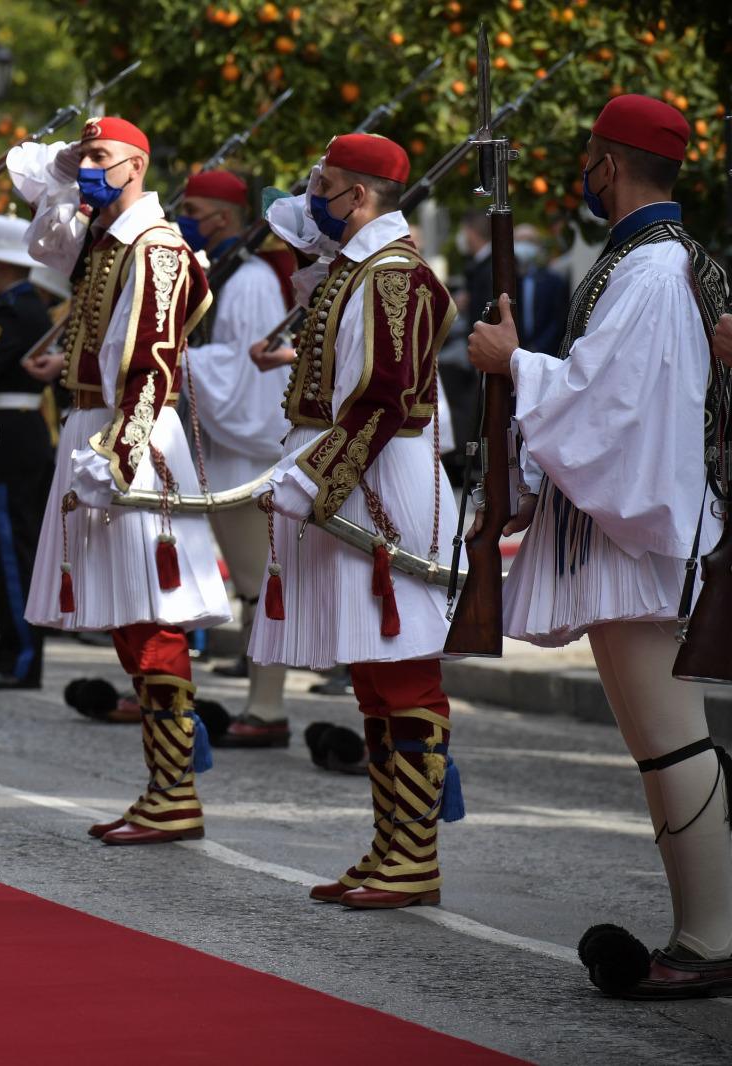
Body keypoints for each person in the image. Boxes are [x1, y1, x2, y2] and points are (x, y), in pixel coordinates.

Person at [468, 95, 732, 996]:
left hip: (641, 537)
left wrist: (514, 365)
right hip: (629, 534)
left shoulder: (652, 271)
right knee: (661, 742)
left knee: (671, 741)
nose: (584, 172)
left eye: (588, 156)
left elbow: (611, 406)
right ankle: (705, 930)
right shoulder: (644, 264)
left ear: (608, 167)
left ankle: (713, 938)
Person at [248, 133, 458, 909]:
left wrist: (315, 480)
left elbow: (382, 397)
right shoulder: (362, 269)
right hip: (353, 475)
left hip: (377, 481)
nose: (314, 202)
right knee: (372, 677)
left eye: (327, 188)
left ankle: (416, 854)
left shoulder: (391, 275)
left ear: (359, 197)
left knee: (401, 671)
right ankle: (391, 845)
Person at [7, 118, 231, 845]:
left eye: (100, 157)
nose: (88, 169)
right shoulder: (109, 240)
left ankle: (175, 791)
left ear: (136, 164)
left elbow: (154, 364)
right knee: (131, 621)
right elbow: (46, 245)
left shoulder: (156, 246)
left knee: (152, 616)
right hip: (96, 427)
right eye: (84, 158)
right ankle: (167, 787)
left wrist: (118, 453)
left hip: (129, 434)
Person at [178, 169, 293, 747]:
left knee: (259, 581)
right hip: (218, 447)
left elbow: (247, 376)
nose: (185, 217)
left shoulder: (247, 282)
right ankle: (259, 700)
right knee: (250, 581)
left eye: (194, 209)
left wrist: (174, 356)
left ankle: (268, 706)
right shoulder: (217, 274)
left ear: (224, 216)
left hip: (245, 452)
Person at [0, 214, 55, 691]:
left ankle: (19, 656)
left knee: (8, 548)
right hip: (5, 434)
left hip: (10, 437)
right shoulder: (9, 307)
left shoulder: (15, 312)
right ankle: (9, 652)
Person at [511, 223, 571, 357]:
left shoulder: (554, 281)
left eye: (529, 241)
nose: (523, 246)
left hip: (548, 354)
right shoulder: (508, 283)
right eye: (519, 241)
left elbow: (559, 320)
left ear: (538, 246)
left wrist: (538, 347)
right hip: (515, 353)